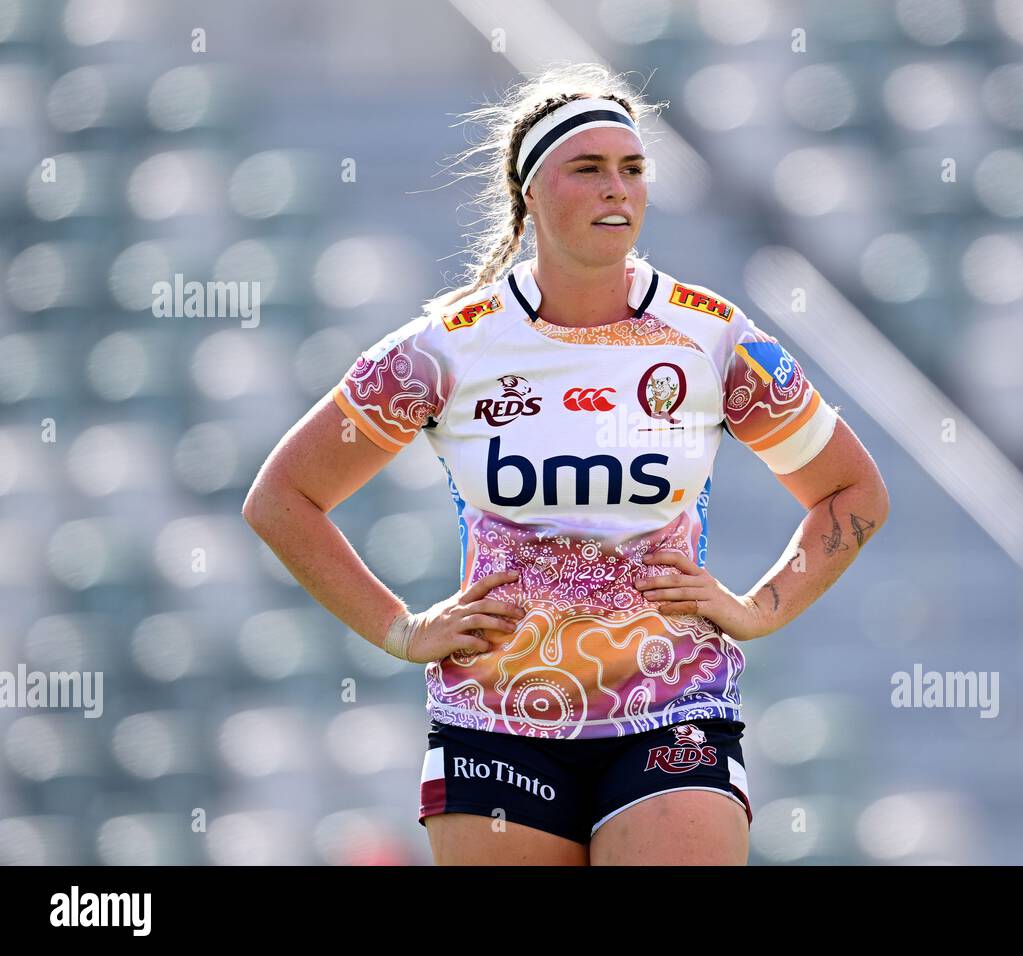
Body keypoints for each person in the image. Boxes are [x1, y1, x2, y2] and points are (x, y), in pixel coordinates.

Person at [242, 63, 889, 866]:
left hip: (673, 708)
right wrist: (401, 629)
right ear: (530, 195)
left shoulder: (713, 337)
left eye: (632, 168)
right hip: (493, 718)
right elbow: (283, 499)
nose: (618, 188)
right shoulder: (445, 347)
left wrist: (761, 607)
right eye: (588, 169)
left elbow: (851, 492)